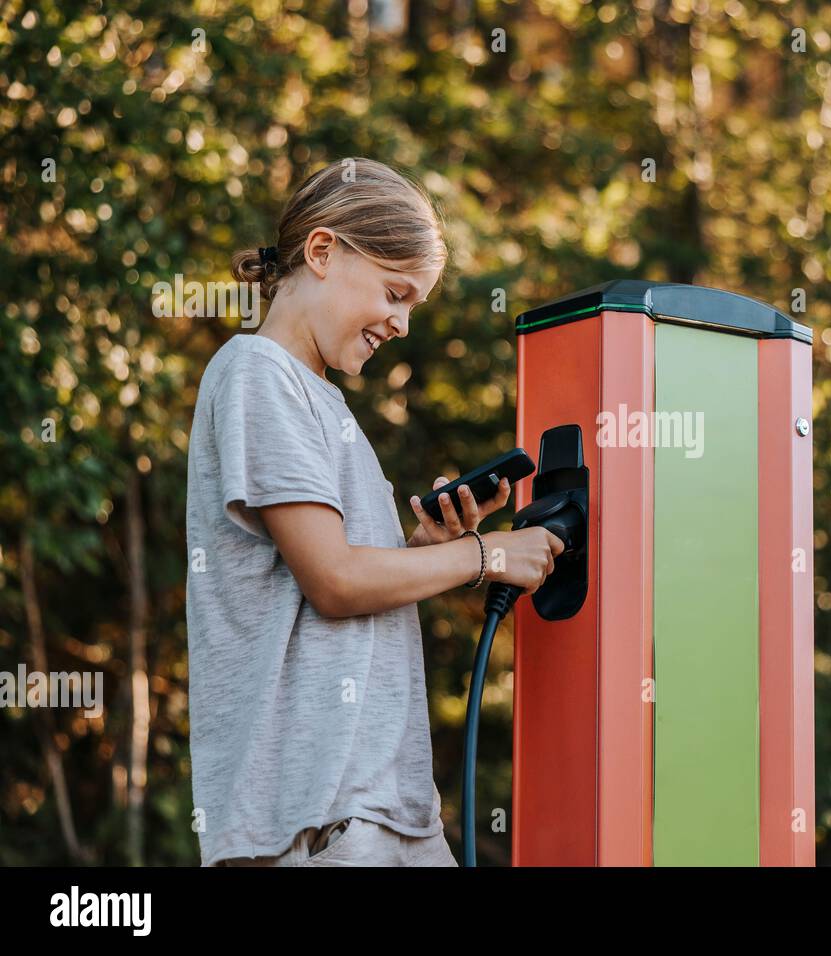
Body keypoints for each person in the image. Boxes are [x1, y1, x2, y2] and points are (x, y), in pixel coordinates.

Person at [184, 157, 564, 866]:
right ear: (324, 252)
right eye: (396, 293)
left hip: (385, 808)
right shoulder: (257, 375)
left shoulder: (323, 402)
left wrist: (426, 550)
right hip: (319, 818)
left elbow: (346, 583)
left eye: (413, 305)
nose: (401, 322)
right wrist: (487, 556)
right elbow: (334, 582)